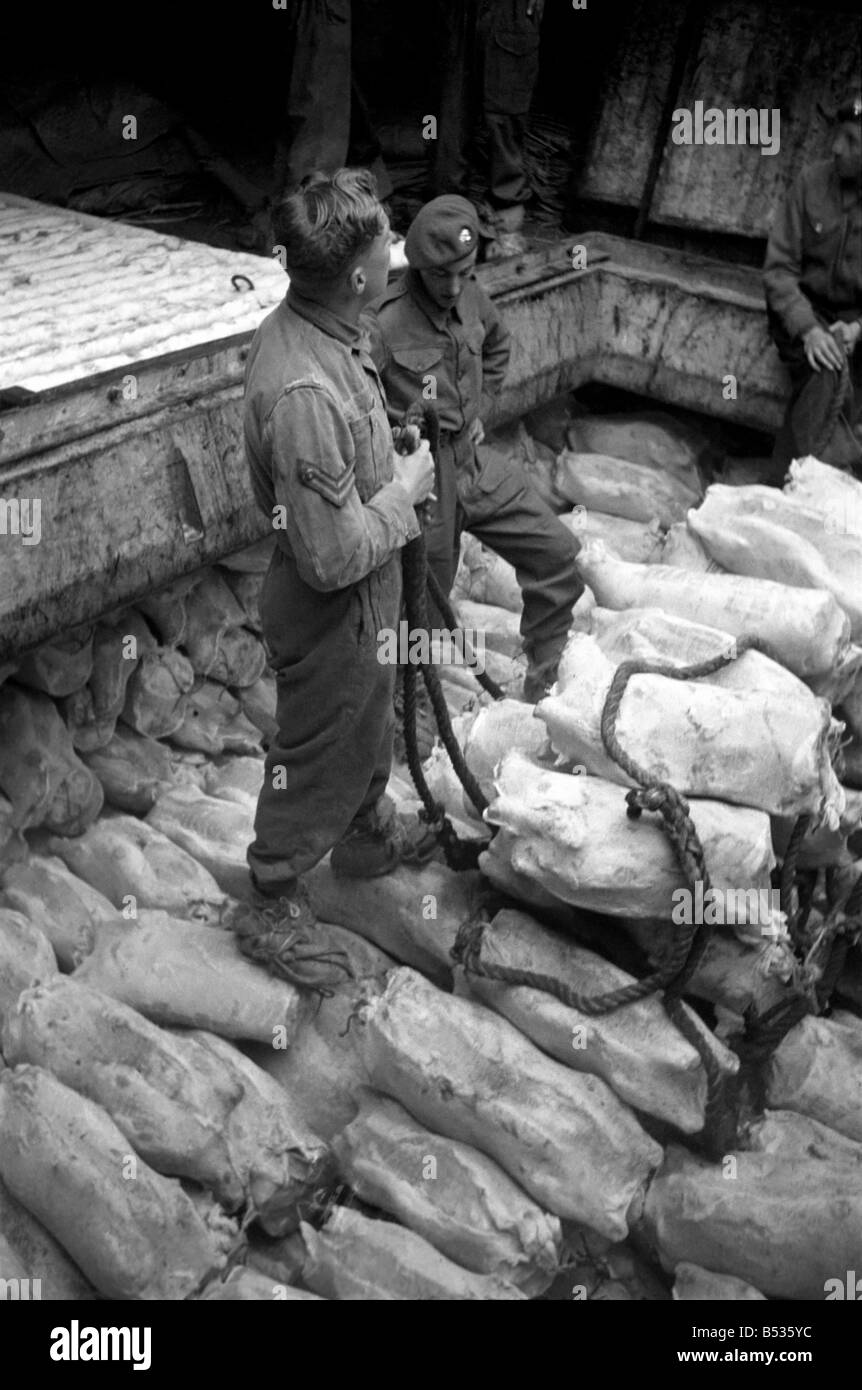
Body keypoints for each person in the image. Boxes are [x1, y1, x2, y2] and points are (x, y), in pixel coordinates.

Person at [240, 169, 438, 937]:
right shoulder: (303, 392)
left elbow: (338, 454)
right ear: (361, 276)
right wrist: (406, 491)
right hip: (330, 604)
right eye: (390, 238)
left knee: (366, 721)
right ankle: (272, 894)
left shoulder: (323, 326)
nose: (398, 246)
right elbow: (328, 559)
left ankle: (361, 835)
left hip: (363, 592)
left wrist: (382, 449)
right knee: (320, 744)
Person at [366, 194, 583, 706]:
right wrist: (394, 446)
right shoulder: (382, 322)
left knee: (556, 553)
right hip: (423, 479)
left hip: (471, 462)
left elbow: (498, 343)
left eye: (466, 272)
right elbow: (354, 400)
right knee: (418, 607)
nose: (456, 286)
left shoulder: (470, 297)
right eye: (444, 276)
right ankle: (402, 709)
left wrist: (480, 406)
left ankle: (545, 684)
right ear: (417, 267)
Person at [763, 90, 862, 473]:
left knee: (838, 385)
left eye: (852, 141)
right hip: (801, 311)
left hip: (852, 322)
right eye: (838, 134)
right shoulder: (811, 183)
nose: (836, 147)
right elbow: (779, 270)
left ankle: (785, 482)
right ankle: (804, 482)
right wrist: (808, 331)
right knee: (826, 372)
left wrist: (857, 329)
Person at [431, 0, 544, 252]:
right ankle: (447, 218)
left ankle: (504, 224)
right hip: (459, 11)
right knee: (450, 114)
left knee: (505, 115)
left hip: (511, 10)